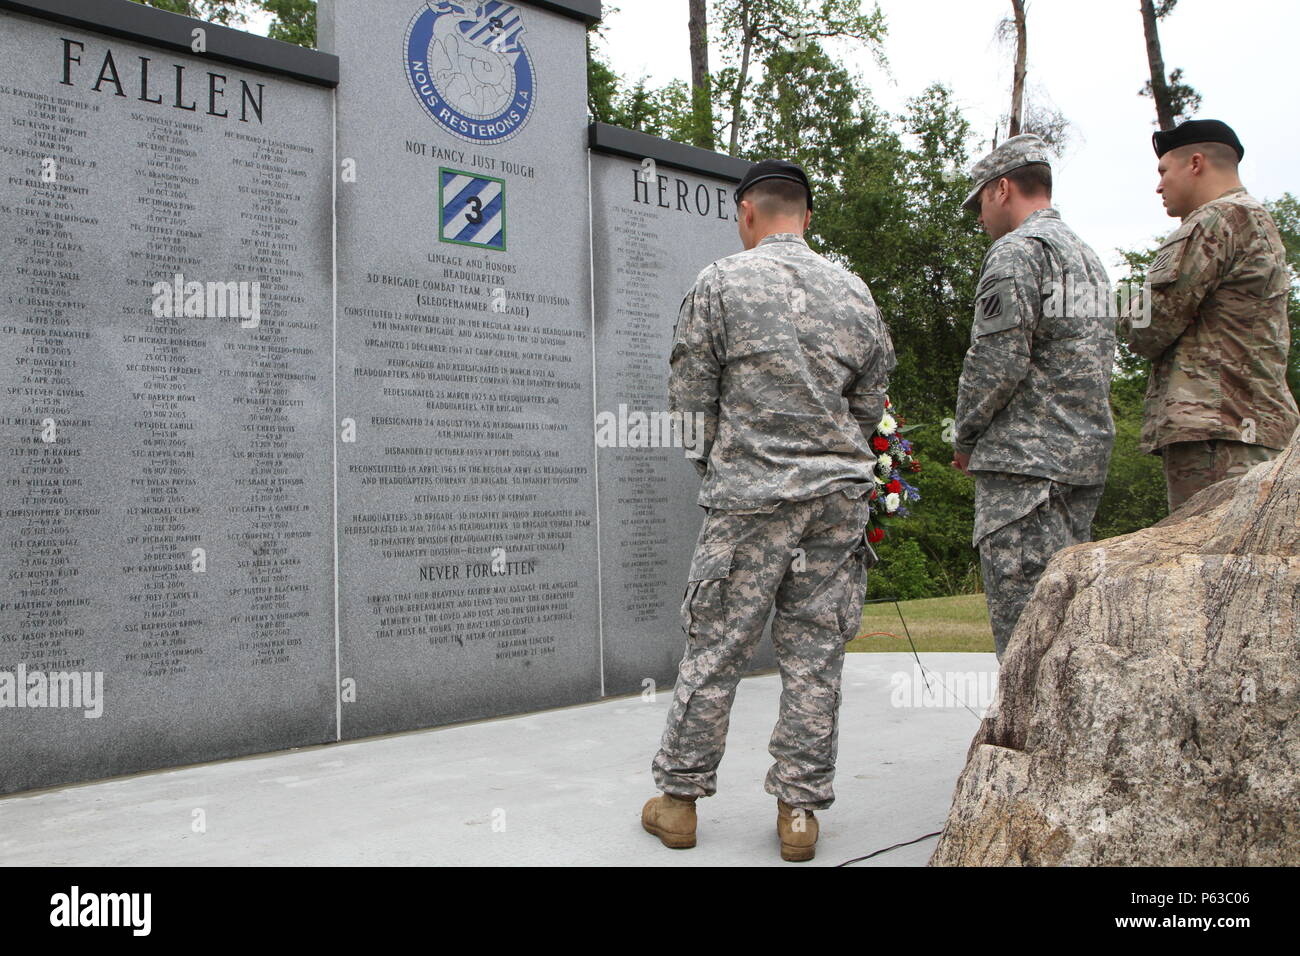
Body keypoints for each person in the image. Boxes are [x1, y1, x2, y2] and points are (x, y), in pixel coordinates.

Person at [641, 159, 896, 862]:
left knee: (715, 649)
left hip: (750, 501)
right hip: (836, 505)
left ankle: (680, 803)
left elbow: (691, 406)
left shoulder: (719, 282)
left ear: (746, 213)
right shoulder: (854, 292)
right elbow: (869, 406)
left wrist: (728, 469)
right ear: (806, 216)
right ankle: (799, 814)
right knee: (815, 658)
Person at [951, 134, 1116, 661]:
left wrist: (966, 435)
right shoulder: (1088, 259)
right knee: (1069, 631)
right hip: (1079, 467)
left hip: (1026, 474)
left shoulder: (1017, 252)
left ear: (1002, 189)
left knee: (1028, 638)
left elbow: (997, 360)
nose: (980, 217)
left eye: (979, 202)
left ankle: (1029, 742)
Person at [1119, 118, 1299, 511]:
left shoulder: (1214, 220)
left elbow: (1148, 327)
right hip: (1247, 427)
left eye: (1164, 171)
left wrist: (1122, 309)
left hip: (1217, 431)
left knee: (1206, 561)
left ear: (1195, 163)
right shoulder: (1256, 219)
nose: (1159, 185)